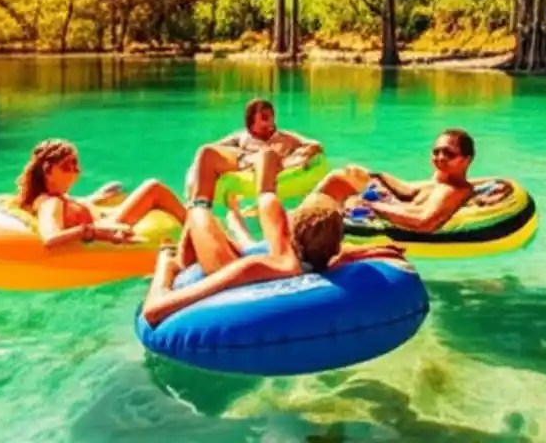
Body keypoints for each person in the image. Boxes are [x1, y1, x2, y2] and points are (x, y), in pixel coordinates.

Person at [140, 191, 407, 326]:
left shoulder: (263, 265)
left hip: (229, 275)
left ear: (293, 233)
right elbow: (343, 253)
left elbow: (154, 312)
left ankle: (180, 265)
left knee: (198, 214)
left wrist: (164, 266)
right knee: (238, 225)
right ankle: (216, 234)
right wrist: (369, 251)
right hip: (252, 266)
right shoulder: (329, 262)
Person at [312, 128, 503, 233]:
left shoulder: (451, 190)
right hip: (393, 201)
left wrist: (373, 206)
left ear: (466, 160)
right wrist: (378, 176)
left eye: (448, 153)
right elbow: (411, 191)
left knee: (337, 181)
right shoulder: (442, 178)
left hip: (387, 210)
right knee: (347, 173)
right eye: (436, 152)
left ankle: (305, 222)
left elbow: (423, 221)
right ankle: (306, 216)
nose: (440, 157)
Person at [12, 139, 188, 247]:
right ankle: (193, 225)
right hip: (109, 224)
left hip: (104, 218)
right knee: (153, 187)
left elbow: (69, 208)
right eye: (68, 166)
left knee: (149, 192)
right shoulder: (50, 203)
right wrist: (93, 232)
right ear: (48, 170)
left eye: (76, 165)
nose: (76, 171)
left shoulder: (53, 197)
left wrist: (96, 197)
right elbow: (51, 238)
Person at [184, 98, 324, 206]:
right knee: (205, 152)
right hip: (244, 162)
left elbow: (314, 145)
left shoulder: (285, 137)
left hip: (272, 164)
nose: (270, 121)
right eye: (264, 117)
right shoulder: (241, 137)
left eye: (271, 117)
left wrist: (297, 157)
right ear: (251, 122)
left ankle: (264, 207)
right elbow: (215, 148)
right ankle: (199, 209)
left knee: (266, 155)